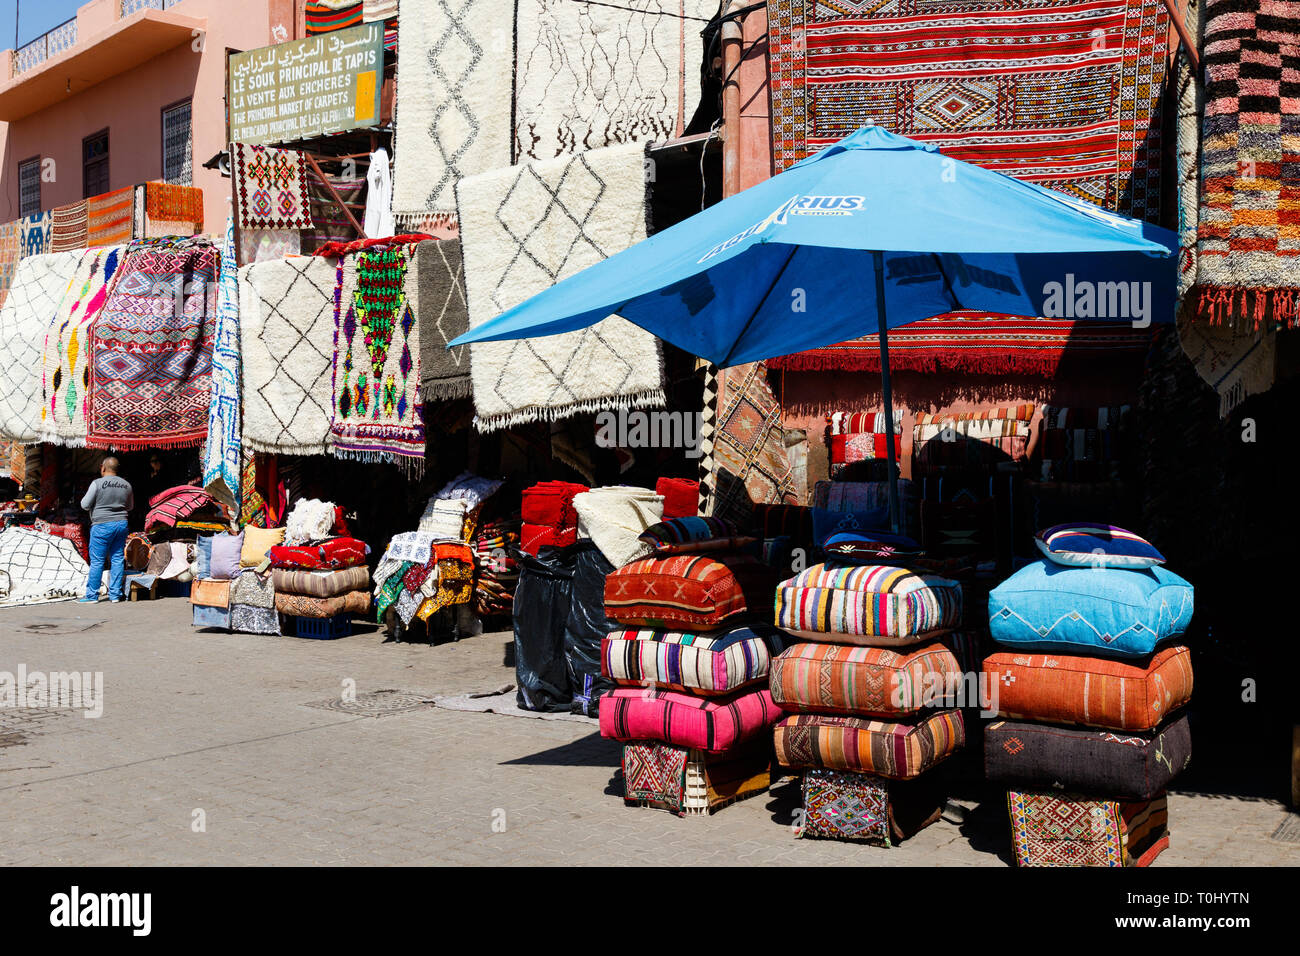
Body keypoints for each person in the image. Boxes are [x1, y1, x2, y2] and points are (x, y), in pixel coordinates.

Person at [79, 457, 134, 603]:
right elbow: (130, 507)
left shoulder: (97, 483)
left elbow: (84, 504)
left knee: (97, 561)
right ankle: (115, 595)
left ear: (102, 467)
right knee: (117, 559)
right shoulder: (127, 485)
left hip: (102, 525)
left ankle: (92, 596)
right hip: (121, 524)